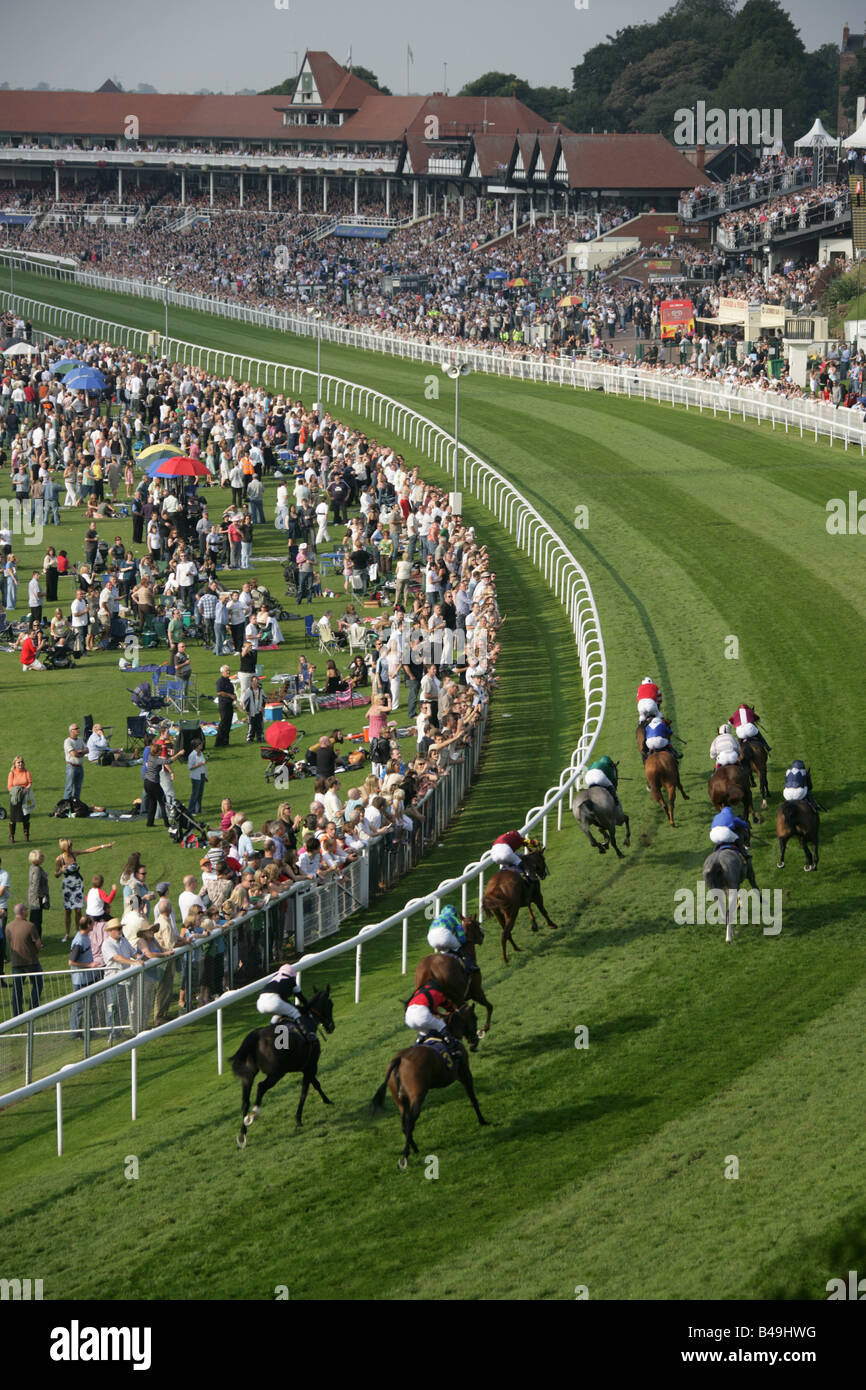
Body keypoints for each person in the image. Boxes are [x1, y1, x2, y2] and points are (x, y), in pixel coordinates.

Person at [6, 902, 43, 1017]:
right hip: (31, 962)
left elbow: (9, 943)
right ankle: (33, 1009)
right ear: (23, 912)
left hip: (16, 963)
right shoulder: (30, 926)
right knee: (38, 984)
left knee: (17, 989)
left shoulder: (8, 927)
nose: (27, 911)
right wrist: (36, 952)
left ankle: (17, 1014)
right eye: (26, 909)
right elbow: (38, 943)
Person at [69, 918, 99, 1038]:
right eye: (92, 923)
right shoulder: (79, 941)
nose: (94, 925)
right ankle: (75, 1033)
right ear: (88, 925)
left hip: (88, 978)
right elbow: (71, 962)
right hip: (80, 980)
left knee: (91, 1005)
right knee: (79, 1007)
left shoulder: (84, 936)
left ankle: (91, 1031)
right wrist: (89, 965)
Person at [404, 979, 455, 1046]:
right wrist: (453, 1011)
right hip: (421, 1014)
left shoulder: (419, 991)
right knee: (441, 1025)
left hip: (408, 1017)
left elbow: (430, 1008)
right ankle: (453, 1048)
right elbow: (447, 1005)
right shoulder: (436, 992)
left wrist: (440, 1014)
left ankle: (416, 1045)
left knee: (423, 1032)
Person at [256, 960, 306, 1026]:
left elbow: (283, 999)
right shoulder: (290, 980)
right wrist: (307, 1007)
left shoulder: (273, 978)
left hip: (260, 1004)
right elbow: (300, 997)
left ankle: (272, 1028)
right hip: (274, 1002)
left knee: (278, 1013)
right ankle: (308, 1034)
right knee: (295, 1012)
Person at [215, 665, 245, 747]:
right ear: (222, 672)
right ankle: (218, 742)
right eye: (226, 671)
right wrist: (230, 696)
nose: (228, 672)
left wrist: (234, 697)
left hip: (229, 705)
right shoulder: (220, 681)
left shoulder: (229, 681)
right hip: (224, 705)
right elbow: (219, 692)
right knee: (223, 724)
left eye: (229, 670)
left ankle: (225, 742)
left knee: (228, 724)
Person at [7, 754, 33, 843]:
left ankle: (26, 836)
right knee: (13, 819)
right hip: (15, 798)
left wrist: (26, 789)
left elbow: (30, 782)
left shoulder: (26, 772)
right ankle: (12, 836)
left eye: (22, 762)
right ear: (15, 764)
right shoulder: (12, 773)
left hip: (25, 796)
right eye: (18, 762)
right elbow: (9, 787)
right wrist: (17, 791)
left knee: (26, 817)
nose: (20, 764)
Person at [27, 848, 50, 935]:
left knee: (35, 919)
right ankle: (36, 940)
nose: (43, 857)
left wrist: (44, 875)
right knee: (36, 921)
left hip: (34, 897)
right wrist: (40, 895)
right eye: (41, 856)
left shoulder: (35, 867)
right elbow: (35, 884)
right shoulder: (36, 870)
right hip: (36, 899)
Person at [63, 722, 87, 802]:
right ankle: (66, 805)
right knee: (69, 787)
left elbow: (87, 750)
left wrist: (79, 752)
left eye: (78, 728)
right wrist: (81, 753)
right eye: (76, 729)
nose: (78, 730)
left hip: (80, 767)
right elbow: (73, 754)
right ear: (71, 731)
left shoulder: (80, 740)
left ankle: (76, 804)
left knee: (78, 787)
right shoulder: (68, 741)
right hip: (71, 767)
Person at [243, 675, 266, 743]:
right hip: (252, 710)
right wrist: (247, 710)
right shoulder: (248, 691)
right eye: (254, 681)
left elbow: (264, 698)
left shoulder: (261, 690)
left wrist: (263, 706)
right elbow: (246, 701)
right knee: (251, 725)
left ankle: (260, 737)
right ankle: (250, 738)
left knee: (260, 725)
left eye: (257, 680)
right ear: (251, 682)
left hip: (258, 710)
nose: (255, 682)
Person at [187, 739, 206, 818]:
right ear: (197, 746)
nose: (202, 745)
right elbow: (190, 767)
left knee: (200, 793)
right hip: (195, 776)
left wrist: (205, 776)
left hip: (201, 775)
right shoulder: (192, 755)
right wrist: (200, 764)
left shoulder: (201, 753)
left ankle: (198, 809)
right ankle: (191, 810)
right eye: (200, 744)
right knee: (195, 794)